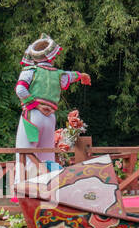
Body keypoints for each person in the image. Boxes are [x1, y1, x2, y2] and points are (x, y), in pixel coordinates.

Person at [14, 35, 89, 185]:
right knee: (46, 154)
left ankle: (22, 189)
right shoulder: (58, 74)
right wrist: (82, 75)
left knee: (25, 152)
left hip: (33, 115)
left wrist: (35, 104)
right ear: (51, 57)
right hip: (49, 118)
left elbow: (20, 89)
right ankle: (47, 186)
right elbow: (71, 75)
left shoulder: (30, 71)